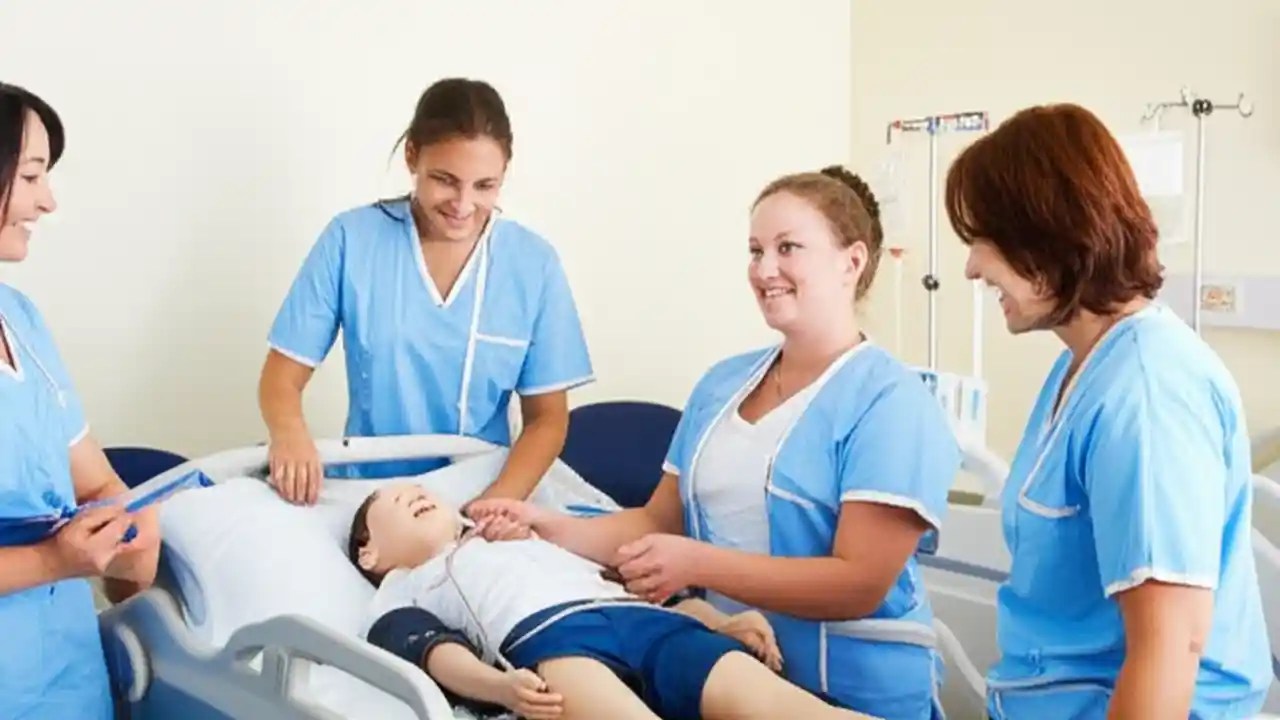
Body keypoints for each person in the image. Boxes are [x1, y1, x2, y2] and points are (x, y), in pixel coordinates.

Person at [470, 166, 963, 719]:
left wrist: (698, 566)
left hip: (851, 690)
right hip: (732, 675)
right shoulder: (723, 385)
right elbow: (658, 522)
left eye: (788, 248)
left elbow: (858, 583)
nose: (765, 269)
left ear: (852, 262)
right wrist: (549, 528)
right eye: (755, 250)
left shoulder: (890, 401)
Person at [943, 103, 1272, 719]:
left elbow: (1171, 647)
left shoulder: (1148, 392)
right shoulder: (1087, 363)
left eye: (983, 241)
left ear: (1046, 233)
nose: (971, 267)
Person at [259, 77, 593, 503]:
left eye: (484, 186)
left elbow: (547, 420)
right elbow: (280, 378)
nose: (463, 204)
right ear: (412, 156)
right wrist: (289, 436)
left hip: (484, 488)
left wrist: (495, 503)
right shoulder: (351, 241)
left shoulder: (533, 265)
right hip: (369, 496)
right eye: (445, 180)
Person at [348, 482, 874, 720]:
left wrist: (716, 619)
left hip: (646, 621)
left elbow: (630, 589)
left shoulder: (529, 541)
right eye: (390, 500)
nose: (412, 493)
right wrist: (500, 688)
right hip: (555, 643)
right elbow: (430, 650)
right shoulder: (409, 585)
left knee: (783, 708)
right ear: (369, 553)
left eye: (421, 491)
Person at [0, 83, 161, 719]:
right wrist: (53, 558)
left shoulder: (22, 320)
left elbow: (94, 479)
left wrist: (132, 531)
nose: (48, 200)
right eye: (32, 175)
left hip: (64, 671)